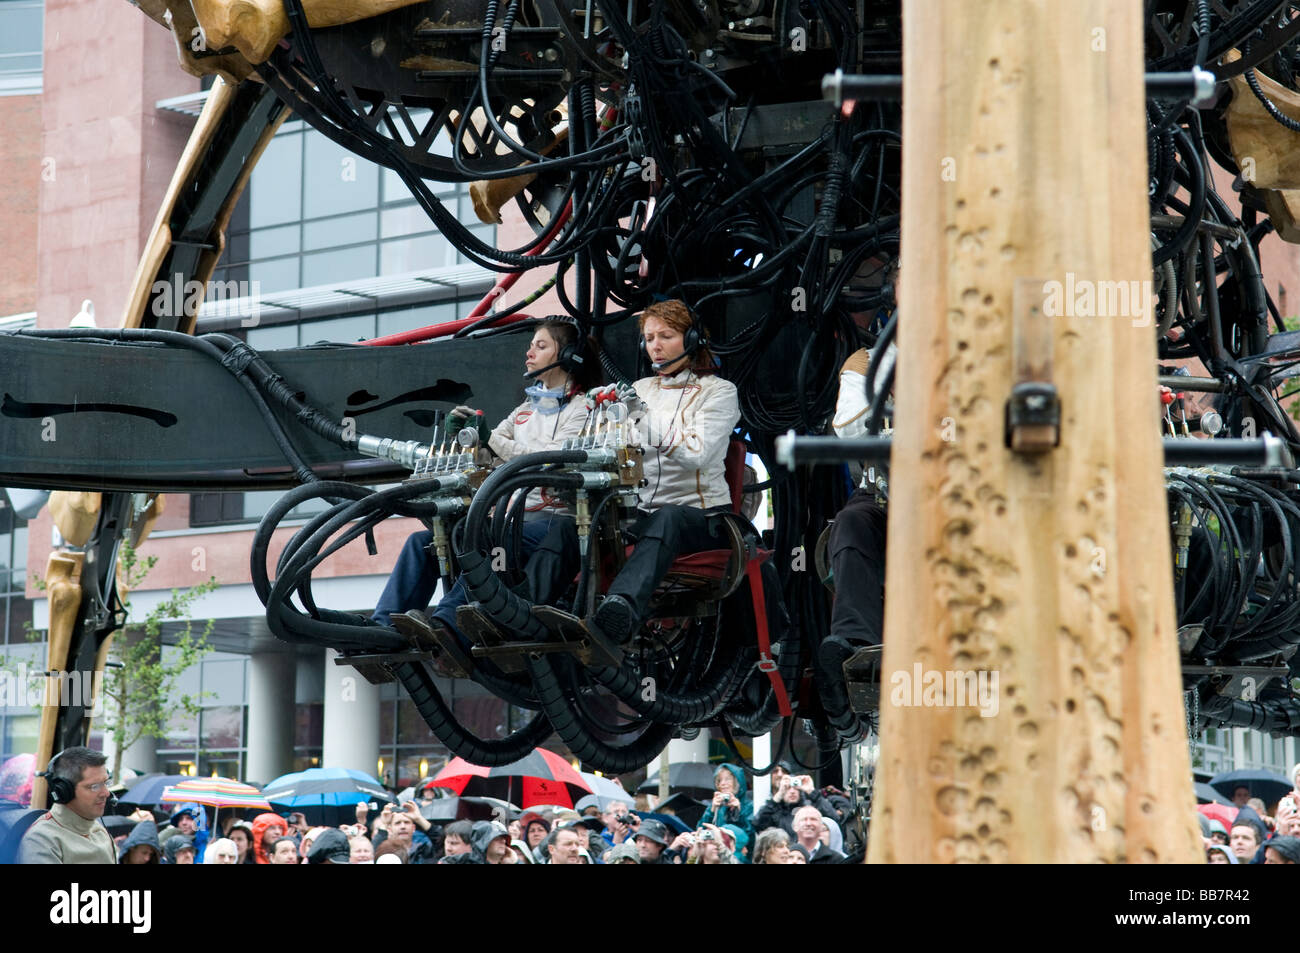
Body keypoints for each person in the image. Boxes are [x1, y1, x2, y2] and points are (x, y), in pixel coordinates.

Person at [372, 319, 600, 667]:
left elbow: (549, 457)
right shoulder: (525, 410)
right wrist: (465, 436)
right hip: (513, 520)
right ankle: (382, 629)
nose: (529, 351)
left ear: (567, 355)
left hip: (555, 521)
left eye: (540, 345)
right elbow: (487, 452)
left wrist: (488, 436)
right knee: (423, 543)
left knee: (491, 537)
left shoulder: (582, 408)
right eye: (532, 344)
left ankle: (449, 626)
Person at [578, 299, 742, 647]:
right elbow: (613, 453)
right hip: (643, 519)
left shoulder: (720, 392)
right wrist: (595, 417)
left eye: (666, 335)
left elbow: (697, 454)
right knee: (572, 525)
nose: (655, 345)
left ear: (693, 339)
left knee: (667, 517)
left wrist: (639, 416)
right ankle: (529, 615)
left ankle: (620, 609)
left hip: (704, 521)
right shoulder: (640, 389)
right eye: (649, 337)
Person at [820, 337, 896, 723]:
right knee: (851, 522)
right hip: (885, 494)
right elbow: (847, 428)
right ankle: (857, 645)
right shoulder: (866, 361)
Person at [20, 747, 116, 864]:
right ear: (64, 790)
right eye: (95, 786)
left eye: (106, 783)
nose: (106, 793)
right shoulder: (41, 840)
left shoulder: (100, 832)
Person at [754, 772, 838, 839]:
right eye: (787, 788)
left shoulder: (810, 809)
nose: (792, 791)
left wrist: (812, 792)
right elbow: (758, 825)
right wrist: (778, 796)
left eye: (795, 787)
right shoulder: (775, 812)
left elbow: (834, 819)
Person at [696, 763, 753, 844]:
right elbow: (701, 832)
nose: (722, 783)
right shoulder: (715, 806)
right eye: (719, 780)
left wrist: (739, 812)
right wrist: (711, 812)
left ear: (737, 782)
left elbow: (749, 838)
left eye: (727, 779)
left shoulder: (748, 806)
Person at [442, 820, 514, 864]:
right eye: (497, 838)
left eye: (504, 838)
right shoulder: (449, 861)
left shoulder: (511, 862)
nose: (503, 841)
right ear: (483, 843)